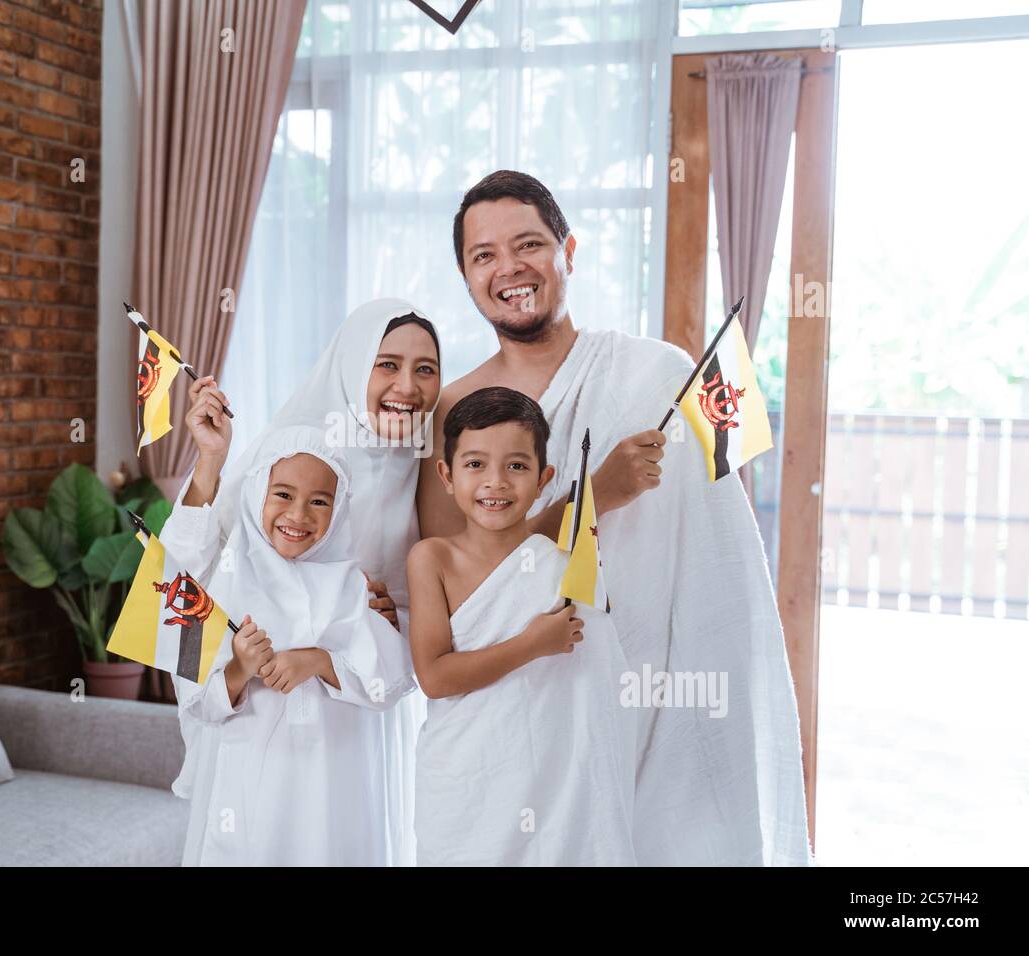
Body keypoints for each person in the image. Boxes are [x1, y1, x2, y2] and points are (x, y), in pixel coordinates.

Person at [417, 170, 812, 866]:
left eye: (529, 244)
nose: (508, 267)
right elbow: (463, 585)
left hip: (653, 689)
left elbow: (722, 559)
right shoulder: (454, 408)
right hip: (512, 713)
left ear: (569, 251)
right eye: (484, 255)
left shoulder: (660, 375)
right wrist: (597, 495)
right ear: (465, 273)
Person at [177, 298, 442, 865]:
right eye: (387, 363)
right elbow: (191, 579)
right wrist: (210, 459)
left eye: (425, 368)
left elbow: (442, 581)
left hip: (361, 709)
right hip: (258, 714)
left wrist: (395, 620)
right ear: (352, 364)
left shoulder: (428, 460)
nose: (407, 385)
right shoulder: (295, 450)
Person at [163, 422, 415, 865]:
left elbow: (391, 684)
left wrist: (319, 661)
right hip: (250, 785)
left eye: (320, 501)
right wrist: (239, 668)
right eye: (282, 494)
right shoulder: (219, 583)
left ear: (338, 511)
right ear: (256, 490)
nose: (298, 515)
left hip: (334, 784)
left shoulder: (353, 586)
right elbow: (195, 698)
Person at [408, 386, 637, 865]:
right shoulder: (433, 559)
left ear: (543, 478)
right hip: (469, 777)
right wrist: (531, 645)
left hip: (552, 781)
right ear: (447, 476)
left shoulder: (564, 568)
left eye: (516, 466)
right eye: (475, 465)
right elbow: (434, 678)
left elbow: (599, 678)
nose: (496, 482)